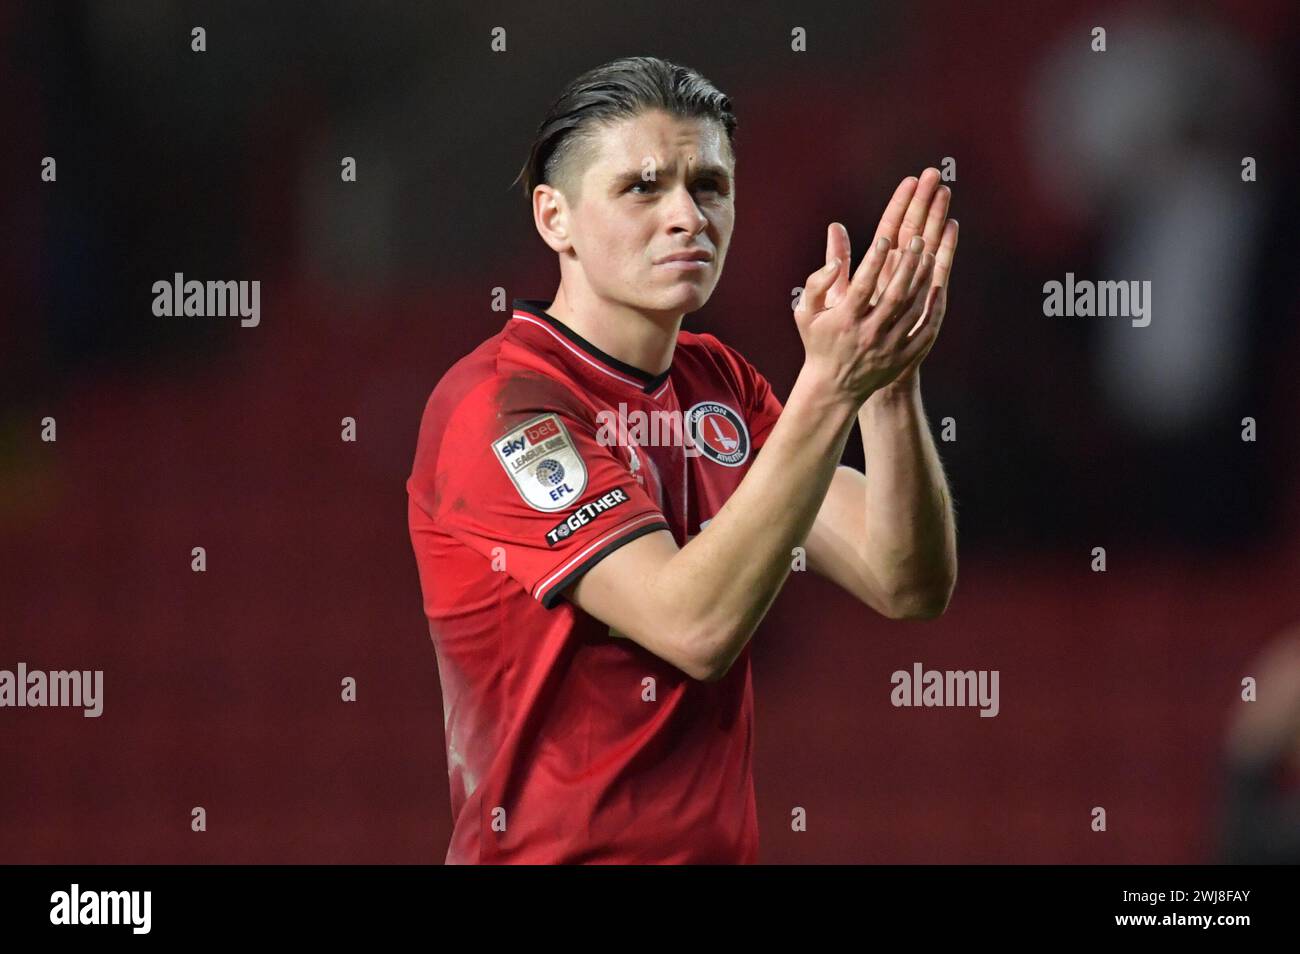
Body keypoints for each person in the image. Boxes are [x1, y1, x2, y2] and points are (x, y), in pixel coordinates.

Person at [406, 55, 959, 863]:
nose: (687, 217)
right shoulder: (501, 408)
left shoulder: (720, 382)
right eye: (642, 187)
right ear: (553, 218)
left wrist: (886, 386)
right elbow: (692, 626)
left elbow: (905, 582)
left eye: (710, 186)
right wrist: (830, 388)